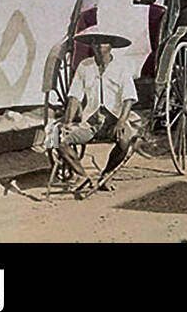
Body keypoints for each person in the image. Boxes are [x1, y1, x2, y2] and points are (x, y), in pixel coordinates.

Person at [57, 30, 139, 196]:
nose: (97, 46)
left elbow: (128, 98)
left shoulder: (121, 67)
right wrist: (67, 122)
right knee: (59, 141)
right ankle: (82, 176)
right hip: (91, 122)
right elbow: (74, 96)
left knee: (126, 142)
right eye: (94, 42)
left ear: (110, 46)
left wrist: (122, 121)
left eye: (101, 42)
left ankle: (106, 175)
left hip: (114, 120)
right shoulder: (85, 66)